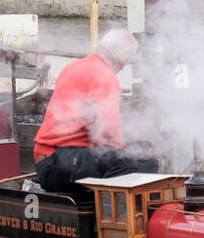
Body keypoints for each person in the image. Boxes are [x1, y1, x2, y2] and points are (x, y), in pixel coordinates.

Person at [33, 29, 155, 192]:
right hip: (58, 162)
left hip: (51, 159)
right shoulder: (104, 76)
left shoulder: (75, 66)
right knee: (130, 159)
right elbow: (107, 133)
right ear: (123, 61)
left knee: (138, 150)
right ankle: (113, 213)